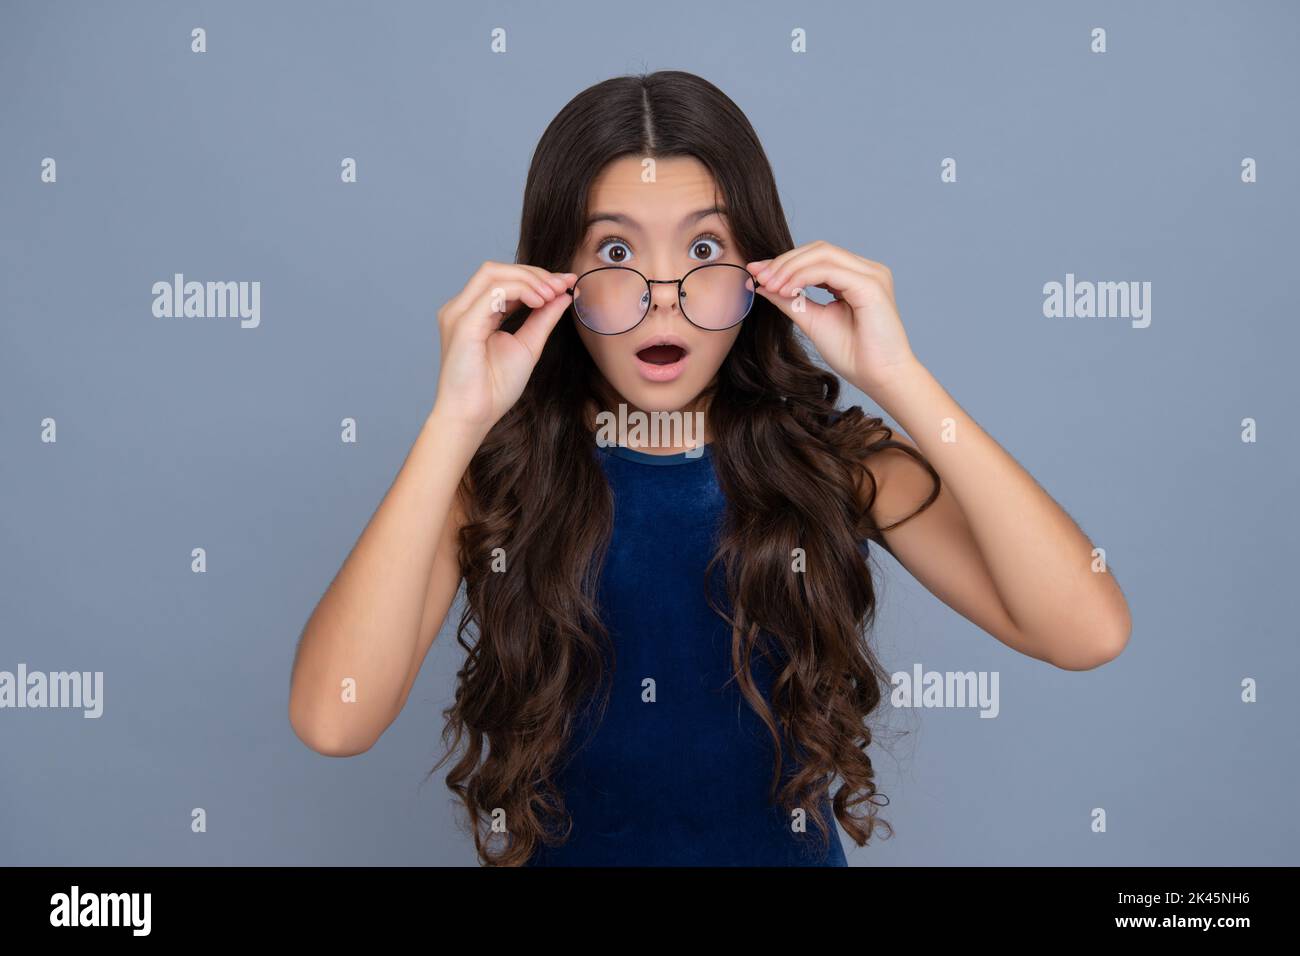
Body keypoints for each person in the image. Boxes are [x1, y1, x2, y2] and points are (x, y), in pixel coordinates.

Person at [288, 70, 1132, 867]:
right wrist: (453, 422)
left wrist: (900, 379)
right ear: (555, 281)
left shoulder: (835, 467)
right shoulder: (492, 481)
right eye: (615, 253)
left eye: (702, 247)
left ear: (758, 270)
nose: (663, 291)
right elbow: (334, 719)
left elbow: (1088, 631)